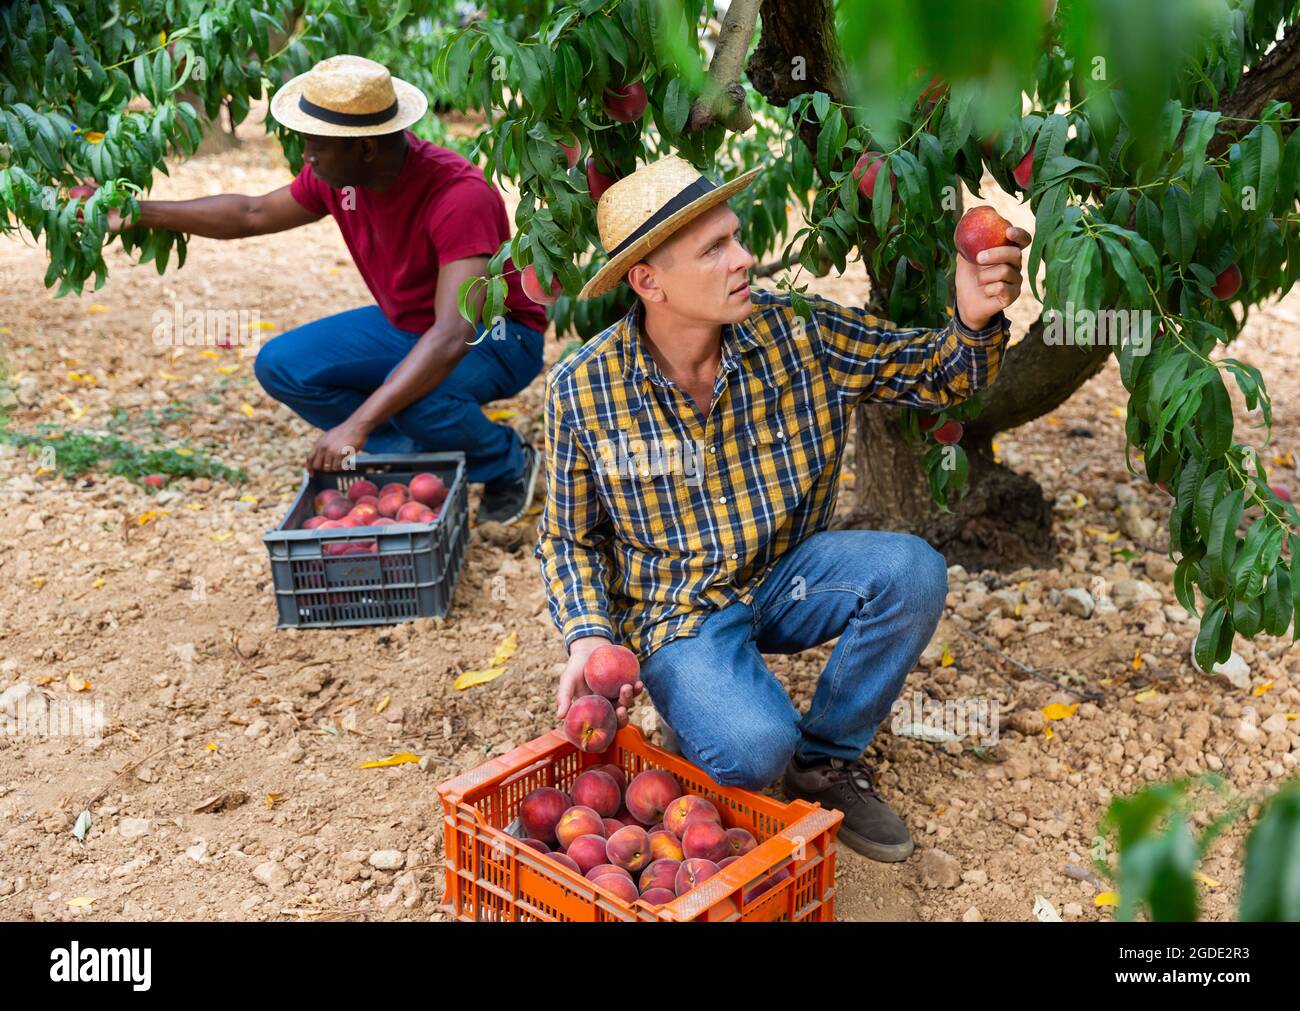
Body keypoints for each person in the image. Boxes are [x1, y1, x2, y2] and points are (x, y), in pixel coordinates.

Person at [535, 155, 1029, 861]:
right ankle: (711, 704)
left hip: (783, 576)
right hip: (679, 610)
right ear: (649, 281)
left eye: (736, 236)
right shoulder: (584, 390)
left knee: (911, 570)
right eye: (716, 249)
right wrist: (587, 634)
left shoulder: (796, 335)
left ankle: (825, 757)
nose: (747, 258)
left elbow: (932, 375)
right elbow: (569, 539)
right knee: (753, 748)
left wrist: (974, 320)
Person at [110, 55, 545, 523]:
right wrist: (136, 211)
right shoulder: (340, 178)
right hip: (409, 325)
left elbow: (453, 333)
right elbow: (251, 214)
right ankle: (420, 455)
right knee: (284, 365)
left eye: (317, 146)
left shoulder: (457, 195)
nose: (306, 157)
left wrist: (358, 423)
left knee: (423, 400)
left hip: (497, 336)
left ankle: (507, 462)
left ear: (366, 148)